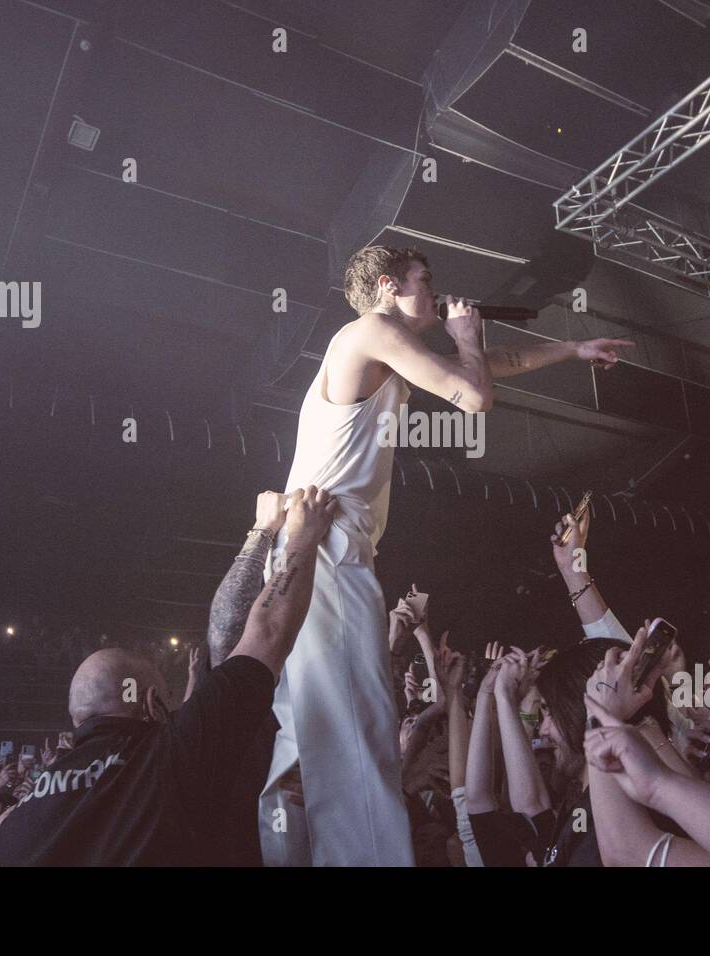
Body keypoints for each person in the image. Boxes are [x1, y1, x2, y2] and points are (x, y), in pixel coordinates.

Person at [259, 244, 632, 866]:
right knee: (360, 722)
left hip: (308, 548)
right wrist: (465, 334)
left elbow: (492, 364)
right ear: (387, 287)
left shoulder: (381, 348)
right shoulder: (371, 331)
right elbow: (474, 395)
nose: (436, 292)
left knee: (307, 727)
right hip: (330, 545)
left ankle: (287, 850)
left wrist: (572, 350)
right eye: (423, 281)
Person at [0, 487, 336, 865]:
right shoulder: (167, 758)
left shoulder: (19, 819)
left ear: (76, 717)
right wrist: (301, 532)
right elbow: (259, 634)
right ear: (151, 704)